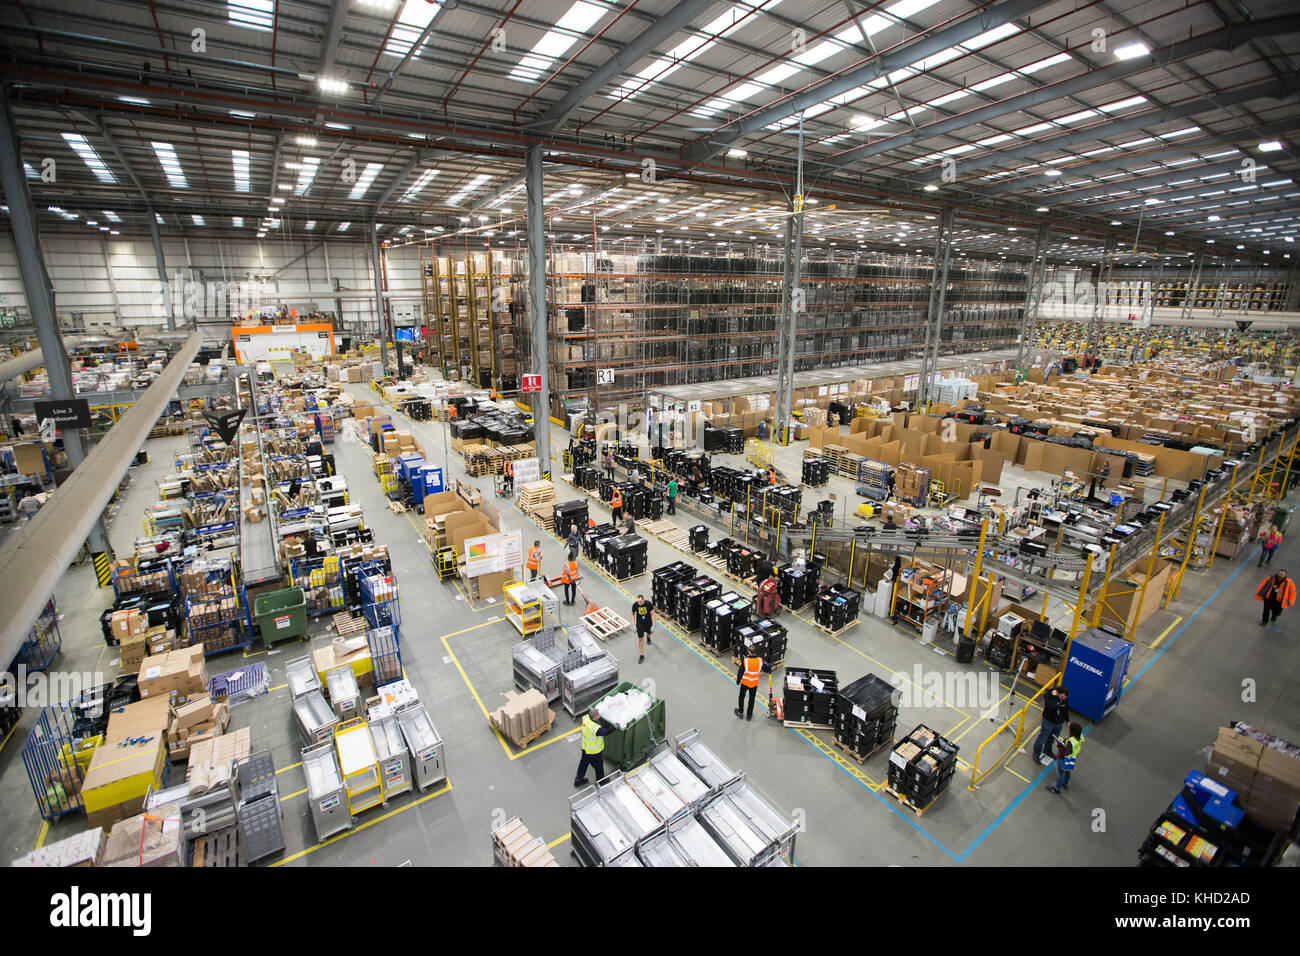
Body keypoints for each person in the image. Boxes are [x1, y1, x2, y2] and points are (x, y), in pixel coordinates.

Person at [573, 707, 612, 787]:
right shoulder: (596, 729)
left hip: (585, 749)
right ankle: (600, 782)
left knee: (583, 764)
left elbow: (587, 715)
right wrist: (615, 727)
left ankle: (578, 780)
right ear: (596, 717)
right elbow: (606, 732)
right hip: (594, 753)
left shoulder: (586, 719)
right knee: (599, 767)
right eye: (598, 714)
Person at [1032, 686, 1070, 765]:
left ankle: (1047, 750)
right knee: (1042, 738)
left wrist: (1068, 720)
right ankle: (1036, 753)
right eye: (1062, 696)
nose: (1064, 698)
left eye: (1065, 697)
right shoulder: (1048, 696)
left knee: (1053, 738)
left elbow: (1065, 709)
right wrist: (1053, 696)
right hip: (1048, 722)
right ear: (1057, 693)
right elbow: (1051, 706)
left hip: (1059, 723)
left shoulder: (1064, 698)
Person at [1046, 722, 1084, 794]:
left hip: (1062, 758)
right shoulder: (1079, 737)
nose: (1068, 727)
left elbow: (1066, 751)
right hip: (1072, 758)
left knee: (1060, 773)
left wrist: (1058, 745)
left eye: (1069, 727)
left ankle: (1057, 788)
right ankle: (1065, 783)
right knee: (1067, 770)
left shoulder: (1070, 741)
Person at [734, 650, 772, 721]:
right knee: (751, 699)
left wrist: (738, 680)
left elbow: (740, 671)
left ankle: (740, 712)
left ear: (749, 652)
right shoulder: (760, 661)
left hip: (745, 683)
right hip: (754, 684)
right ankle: (749, 716)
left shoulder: (746, 661)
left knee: (741, 697)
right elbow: (766, 669)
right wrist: (769, 667)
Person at [632, 595, 654, 664]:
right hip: (640, 623)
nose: (639, 603)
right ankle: (641, 655)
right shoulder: (635, 605)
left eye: (641, 602)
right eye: (638, 601)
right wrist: (633, 624)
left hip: (648, 622)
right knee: (640, 638)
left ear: (643, 600)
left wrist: (653, 625)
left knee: (649, 632)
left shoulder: (648, 604)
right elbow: (632, 614)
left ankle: (648, 638)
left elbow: (653, 614)